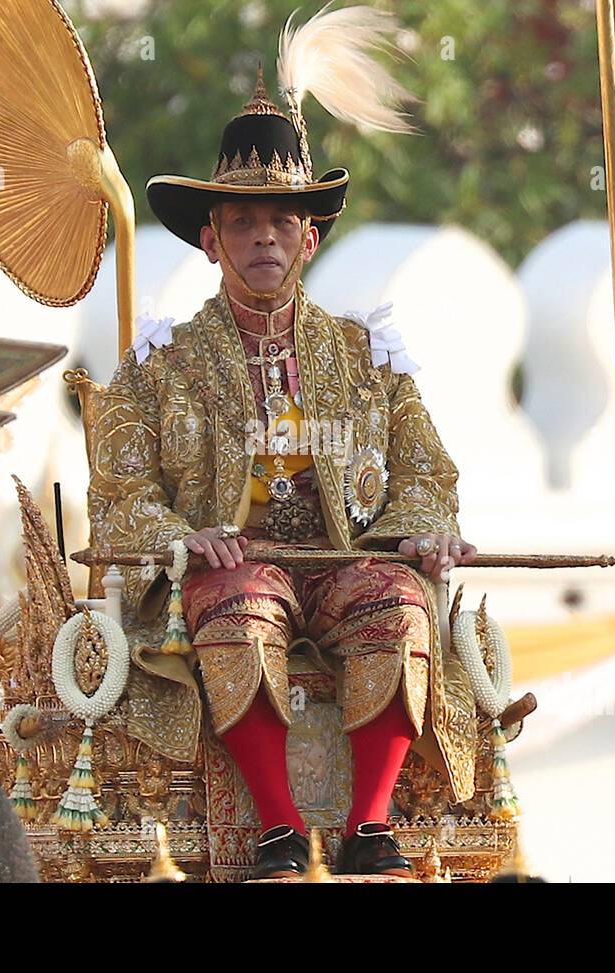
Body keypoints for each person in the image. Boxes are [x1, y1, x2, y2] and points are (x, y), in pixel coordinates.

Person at [87, 10, 479, 879]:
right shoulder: (162, 366)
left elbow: (425, 470)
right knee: (238, 601)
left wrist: (422, 532)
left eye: (282, 220)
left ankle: (369, 827)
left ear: (310, 236)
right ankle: (276, 829)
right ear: (210, 237)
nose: (263, 235)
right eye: (242, 221)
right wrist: (179, 538)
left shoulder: (366, 353)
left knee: (399, 603)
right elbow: (118, 489)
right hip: (236, 568)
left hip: (346, 560)